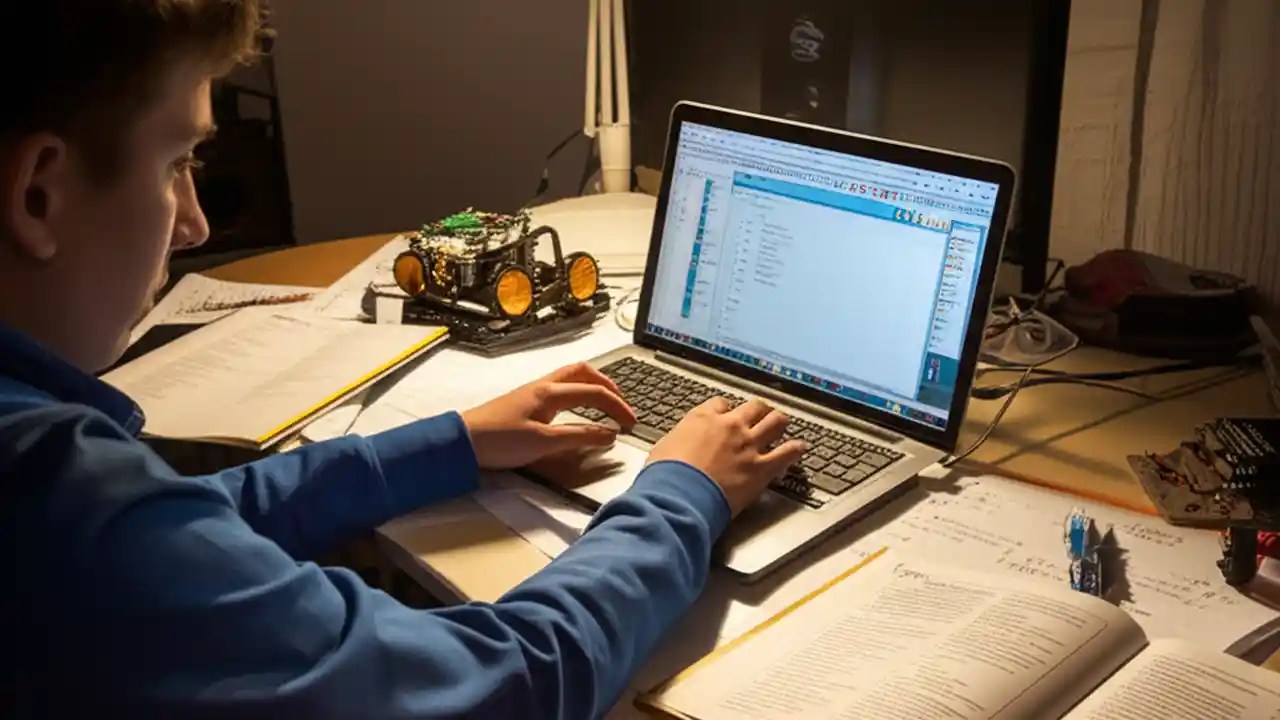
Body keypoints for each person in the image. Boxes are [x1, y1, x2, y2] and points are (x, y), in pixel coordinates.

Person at [0, 2, 808, 717]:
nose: (195, 225)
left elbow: (198, 517)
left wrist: (452, 442)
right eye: (178, 162)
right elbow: (507, 683)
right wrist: (682, 494)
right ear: (39, 194)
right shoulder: (55, 495)